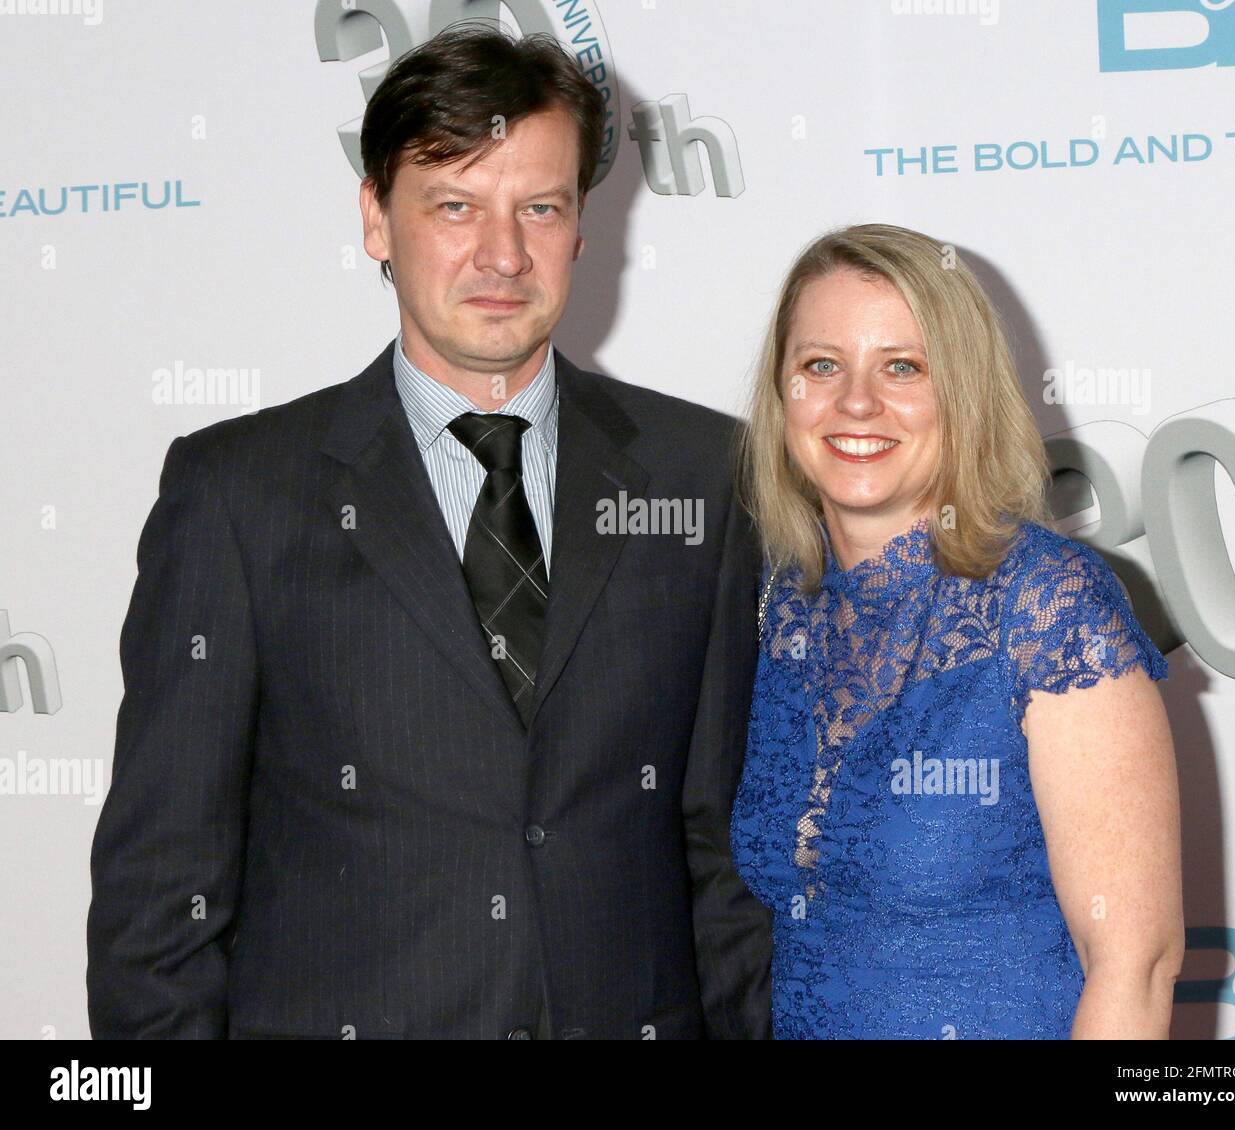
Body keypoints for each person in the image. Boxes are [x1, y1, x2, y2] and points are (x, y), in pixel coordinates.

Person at [87, 23, 771, 1040]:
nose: (502, 253)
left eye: (538, 207)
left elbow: (724, 860)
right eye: (454, 205)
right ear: (376, 217)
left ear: (582, 225)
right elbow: (162, 888)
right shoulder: (238, 494)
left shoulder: (703, 476)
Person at [729, 223, 1184, 1039]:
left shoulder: (1049, 605)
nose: (855, 402)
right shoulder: (775, 604)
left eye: (902, 367)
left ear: (964, 392)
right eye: (820, 365)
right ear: (782, 394)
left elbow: (1136, 966)